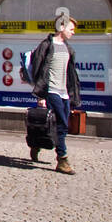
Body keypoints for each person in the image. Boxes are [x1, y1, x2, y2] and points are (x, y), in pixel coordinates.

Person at [29, 14, 81, 175]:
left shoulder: (68, 48)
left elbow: (71, 74)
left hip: (64, 93)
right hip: (51, 91)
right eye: (71, 29)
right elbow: (37, 71)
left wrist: (73, 95)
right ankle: (62, 160)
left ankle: (36, 143)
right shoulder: (46, 46)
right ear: (61, 27)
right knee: (61, 125)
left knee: (56, 125)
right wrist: (41, 96)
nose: (73, 32)